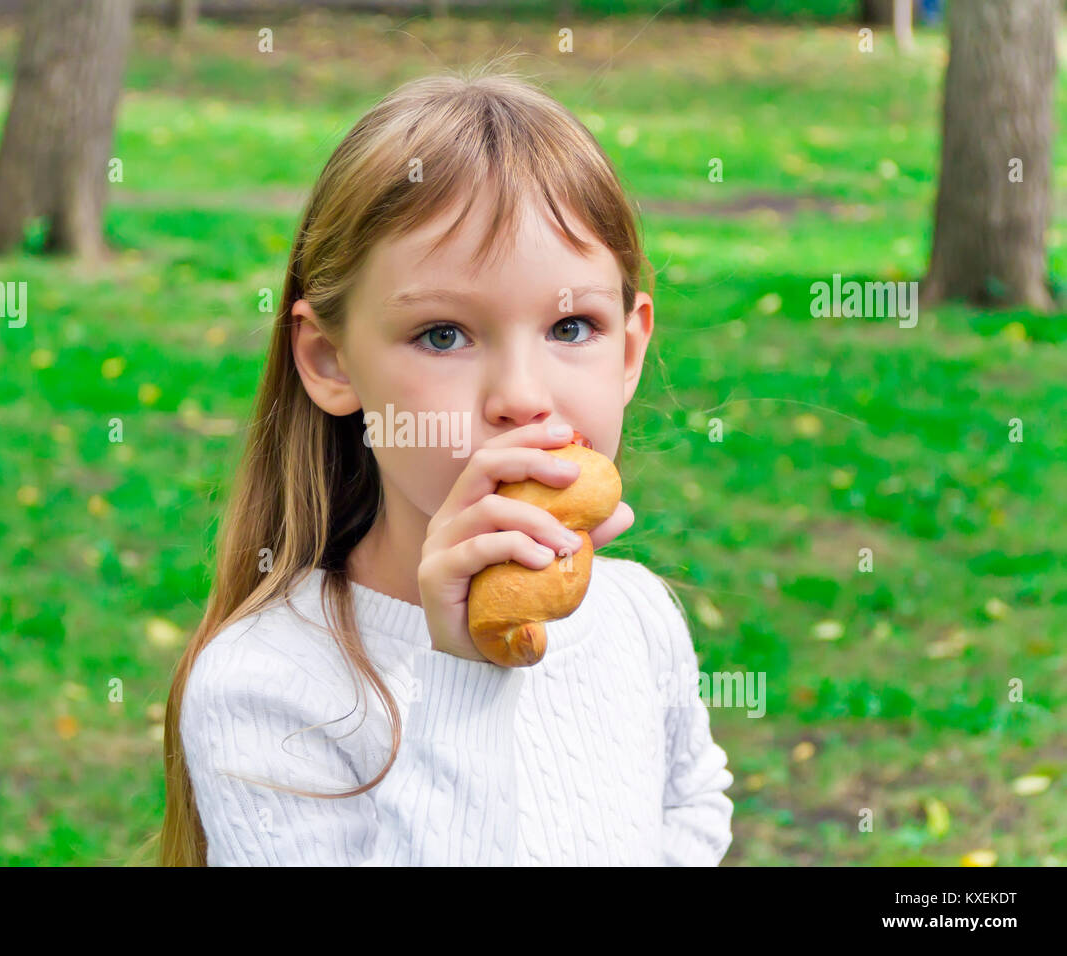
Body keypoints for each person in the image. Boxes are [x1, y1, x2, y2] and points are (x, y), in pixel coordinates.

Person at [159, 65, 734, 866]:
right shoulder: (267, 686)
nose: (522, 398)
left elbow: (691, 803)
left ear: (631, 350)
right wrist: (464, 673)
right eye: (442, 335)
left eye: (572, 327)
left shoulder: (634, 617)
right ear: (330, 361)